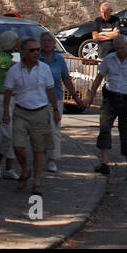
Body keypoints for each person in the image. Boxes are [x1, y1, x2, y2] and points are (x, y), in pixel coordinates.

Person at [2, 37, 59, 195]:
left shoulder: (44, 69)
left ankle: (37, 180)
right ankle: (25, 169)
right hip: (21, 112)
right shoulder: (14, 70)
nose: (36, 53)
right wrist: (6, 112)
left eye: (37, 50)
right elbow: (7, 93)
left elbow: (50, 90)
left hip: (40, 112)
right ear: (23, 53)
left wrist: (55, 110)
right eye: (32, 50)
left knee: (39, 149)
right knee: (18, 146)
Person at [84, 34, 127, 179]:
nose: (119, 51)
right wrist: (90, 96)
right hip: (110, 98)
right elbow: (99, 77)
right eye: (117, 48)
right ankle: (105, 163)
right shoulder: (109, 59)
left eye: (122, 48)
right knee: (104, 129)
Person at [38, 31, 79, 173]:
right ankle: (40, 157)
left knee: (54, 130)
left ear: (54, 43)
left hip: (56, 99)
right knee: (41, 130)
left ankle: (51, 159)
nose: (48, 43)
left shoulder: (59, 59)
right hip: (38, 100)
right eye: (45, 41)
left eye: (50, 40)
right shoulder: (37, 58)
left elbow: (66, 78)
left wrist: (75, 96)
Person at [0, 30, 20, 180]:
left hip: (13, 98)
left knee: (12, 134)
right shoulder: (3, 59)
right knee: (7, 134)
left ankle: (8, 167)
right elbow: (14, 69)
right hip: (3, 98)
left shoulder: (7, 57)